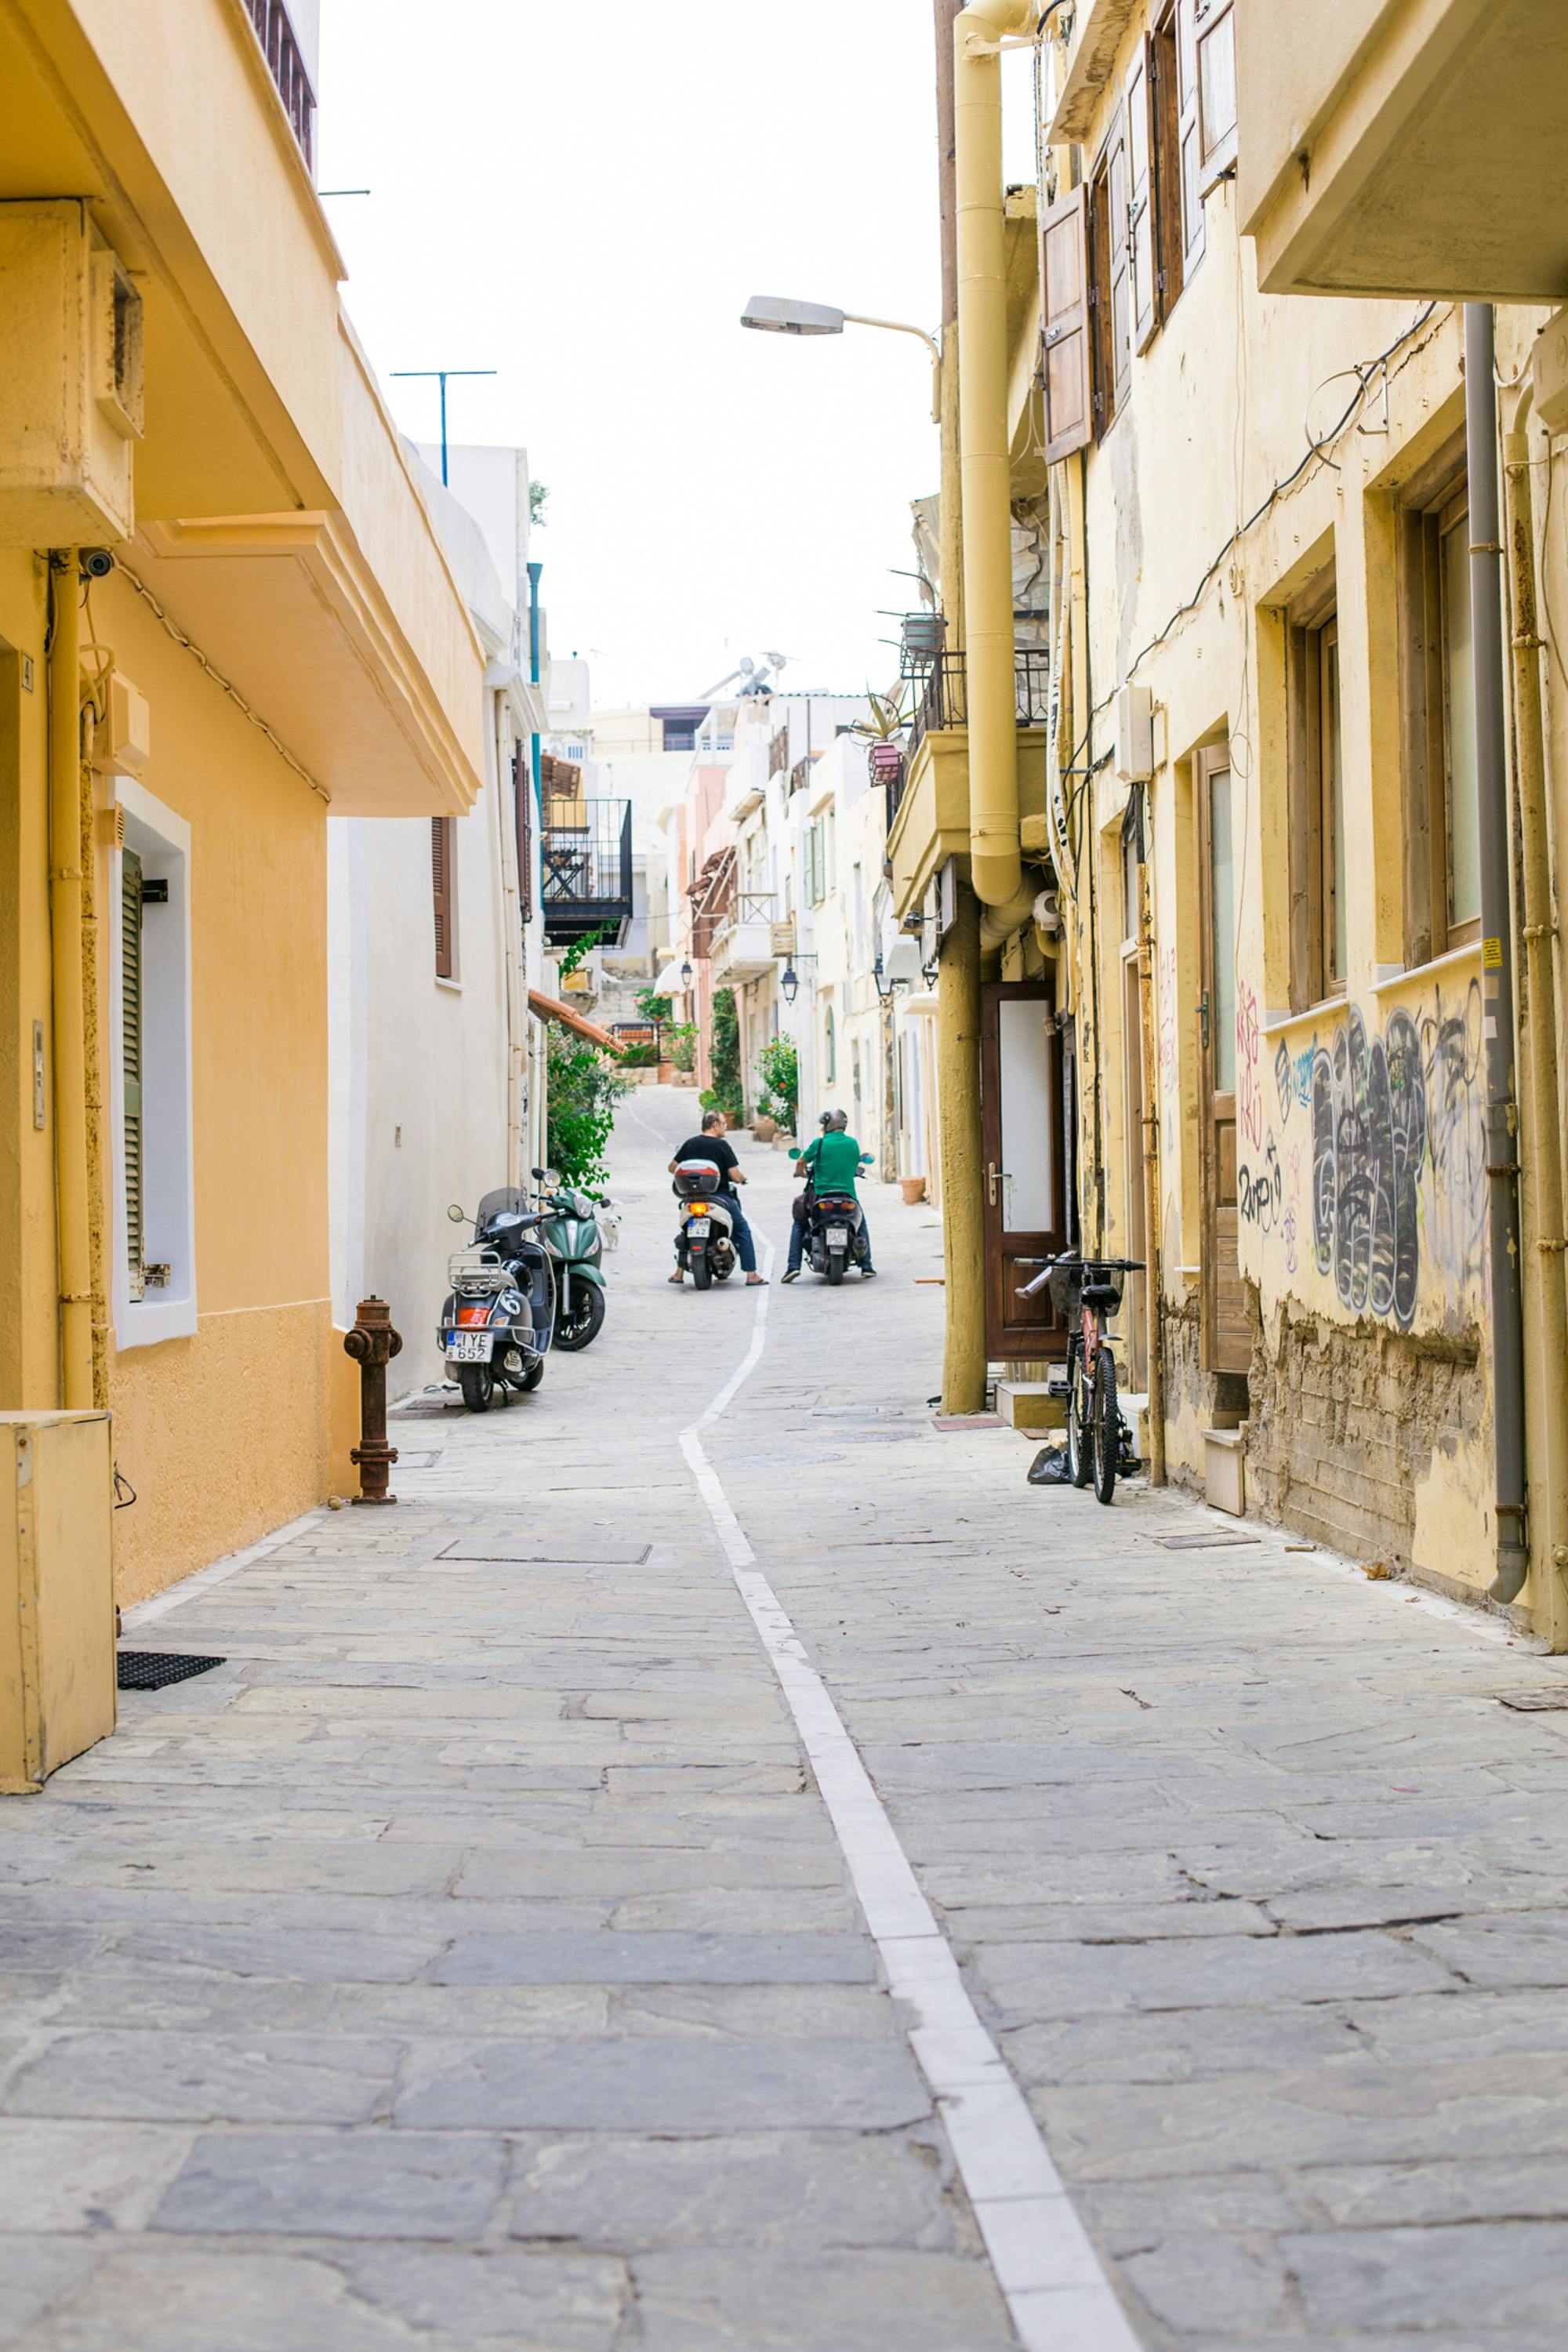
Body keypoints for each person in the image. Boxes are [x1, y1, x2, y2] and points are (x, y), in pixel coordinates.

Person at [667, 1109, 767, 1286]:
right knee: (742, 1229)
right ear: (715, 1125)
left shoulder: (690, 1144)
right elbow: (735, 1175)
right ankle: (752, 1274)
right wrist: (743, 1179)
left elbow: (672, 1167)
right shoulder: (722, 1146)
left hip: (692, 1200)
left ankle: (679, 1273)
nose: (726, 1127)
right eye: (724, 1124)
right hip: (719, 1198)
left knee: (686, 1231)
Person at [783, 1108, 876, 1281]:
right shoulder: (852, 1144)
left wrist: (799, 1172)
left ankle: (793, 1267)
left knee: (799, 1223)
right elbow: (853, 1162)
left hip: (821, 1196)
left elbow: (801, 1161)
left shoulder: (819, 1144)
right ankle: (867, 1265)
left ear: (827, 1125)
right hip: (848, 1196)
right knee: (861, 1224)